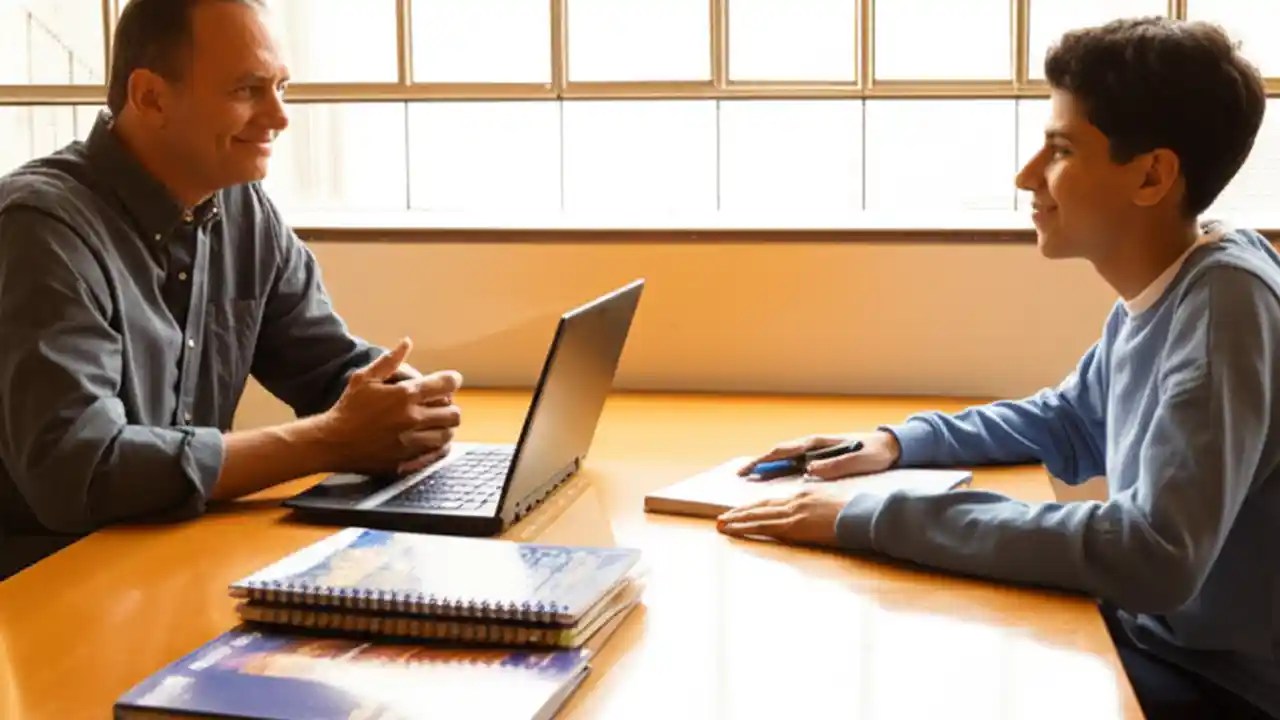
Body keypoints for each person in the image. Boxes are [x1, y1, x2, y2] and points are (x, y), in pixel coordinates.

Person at [718, 16, 1279, 720]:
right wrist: (895, 444)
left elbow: (1153, 555)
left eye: (1060, 149)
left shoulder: (1224, 305)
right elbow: (1072, 420)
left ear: (1152, 175)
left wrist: (871, 517)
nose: (1025, 178)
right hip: (1153, 642)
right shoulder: (1179, 283)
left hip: (1221, 687)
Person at [0, 0, 462, 578]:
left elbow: (325, 367)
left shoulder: (240, 207)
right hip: (51, 590)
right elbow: (81, 470)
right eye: (247, 90)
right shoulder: (39, 228)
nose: (280, 117)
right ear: (150, 97)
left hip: (182, 566)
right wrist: (329, 441)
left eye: (281, 87)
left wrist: (403, 405)